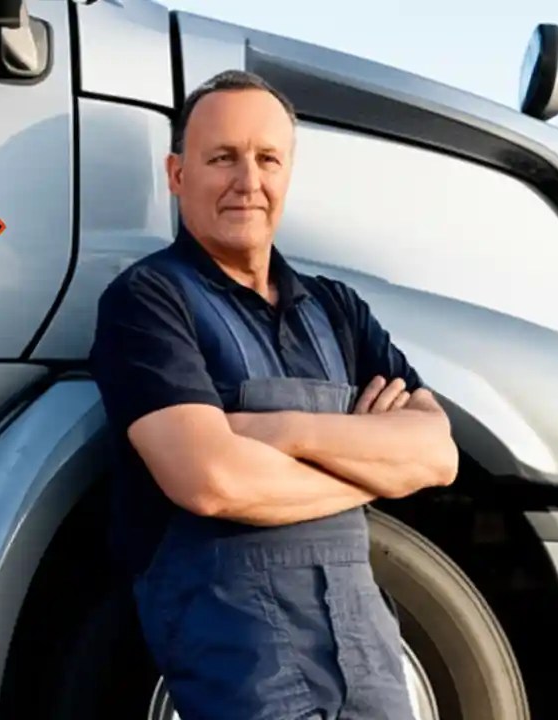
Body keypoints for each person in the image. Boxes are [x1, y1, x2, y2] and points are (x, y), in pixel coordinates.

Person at [88, 69, 460, 720]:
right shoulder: (148, 302)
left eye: (267, 159)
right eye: (222, 158)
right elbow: (211, 481)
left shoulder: (337, 309)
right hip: (243, 663)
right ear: (177, 174)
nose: (247, 181)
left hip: (366, 654)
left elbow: (437, 455)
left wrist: (281, 431)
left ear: (288, 173)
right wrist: (373, 469)